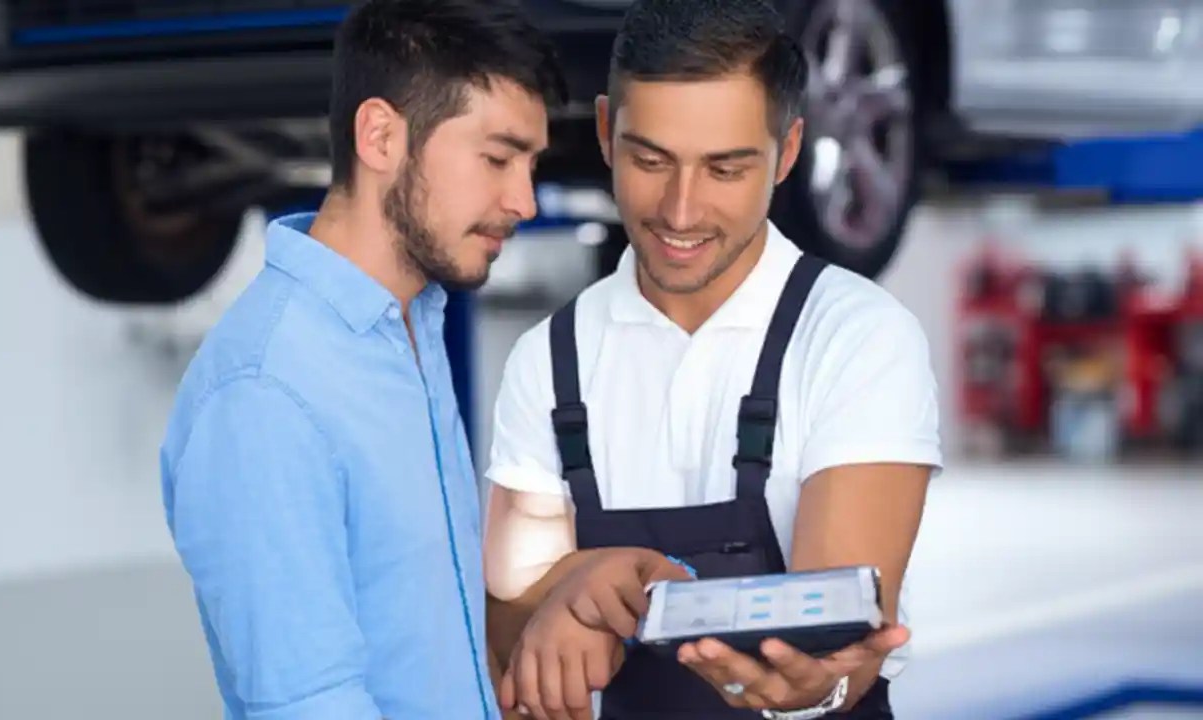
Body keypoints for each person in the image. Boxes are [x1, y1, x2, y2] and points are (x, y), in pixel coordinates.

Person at [482, 1, 941, 718]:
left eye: (725, 168)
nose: (682, 211)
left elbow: (841, 628)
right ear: (606, 131)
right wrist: (568, 597)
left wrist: (815, 688)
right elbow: (506, 634)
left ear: (788, 153)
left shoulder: (854, 335)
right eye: (650, 160)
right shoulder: (548, 361)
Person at [158, 1, 567, 718]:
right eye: (498, 158)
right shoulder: (267, 391)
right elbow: (309, 704)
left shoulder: (410, 326)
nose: (524, 199)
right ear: (380, 136)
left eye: (530, 165)